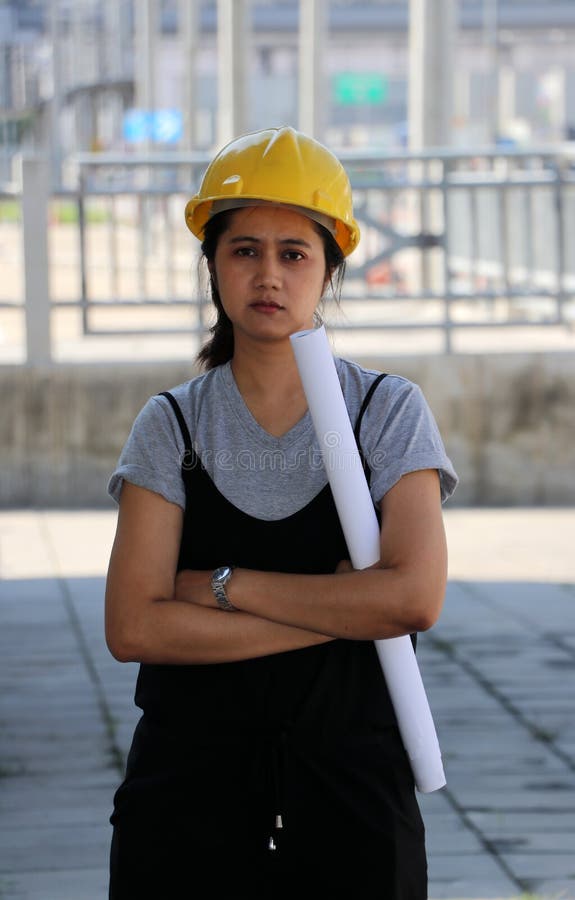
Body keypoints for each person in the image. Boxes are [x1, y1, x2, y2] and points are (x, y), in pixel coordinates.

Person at [105, 125, 458, 899]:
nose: (268, 274)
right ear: (212, 265)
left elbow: (411, 599)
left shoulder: (385, 412)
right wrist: (341, 610)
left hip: (351, 800)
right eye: (244, 249)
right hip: (186, 803)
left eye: (293, 253)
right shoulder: (170, 425)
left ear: (329, 267)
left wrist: (223, 585)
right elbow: (134, 628)